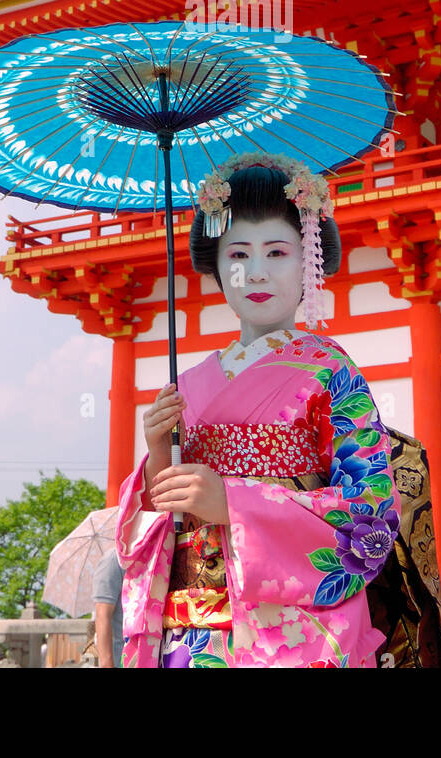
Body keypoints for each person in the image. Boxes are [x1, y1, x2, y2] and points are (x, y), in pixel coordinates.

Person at [116, 153, 403, 668]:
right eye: (238, 254)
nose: (255, 271)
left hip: (295, 634)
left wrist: (234, 504)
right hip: (191, 638)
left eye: (276, 251)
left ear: (308, 259)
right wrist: (160, 458)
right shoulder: (190, 383)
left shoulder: (330, 370)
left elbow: (372, 510)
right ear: (218, 267)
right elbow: (162, 525)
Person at [90, 547, 125, 668]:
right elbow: (102, 615)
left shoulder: (155, 558)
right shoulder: (113, 559)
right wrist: (106, 663)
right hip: (119, 657)